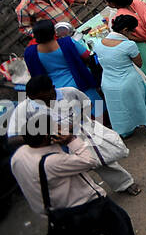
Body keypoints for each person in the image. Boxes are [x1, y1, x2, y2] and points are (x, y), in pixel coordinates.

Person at [10, 102, 146, 235]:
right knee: (118, 220)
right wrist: (71, 140)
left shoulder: (20, 155)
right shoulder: (51, 161)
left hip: (58, 210)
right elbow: (89, 161)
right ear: (46, 136)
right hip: (83, 205)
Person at [6, 75, 138, 195]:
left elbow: (88, 105)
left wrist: (75, 123)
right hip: (53, 147)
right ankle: (92, 197)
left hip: (79, 136)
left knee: (102, 163)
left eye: (44, 98)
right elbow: (12, 139)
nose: (41, 102)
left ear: (52, 88)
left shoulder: (69, 92)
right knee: (72, 176)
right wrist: (39, 133)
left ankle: (125, 184)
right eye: (36, 100)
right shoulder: (25, 107)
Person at [92, 14, 146, 137]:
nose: (134, 33)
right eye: (133, 30)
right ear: (125, 30)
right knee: (145, 104)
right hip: (129, 81)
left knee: (119, 109)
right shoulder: (128, 45)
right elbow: (139, 63)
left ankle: (125, 131)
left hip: (108, 83)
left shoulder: (98, 43)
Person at [24, 19, 104, 117]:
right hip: (82, 84)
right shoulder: (67, 42)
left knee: (75, 120)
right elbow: (87, 56)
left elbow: (33, 72)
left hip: (56, 93)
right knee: (99, 115)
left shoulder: (30, 53)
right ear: (54, 31)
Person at [16, 0, 82, 42]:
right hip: (59, 40)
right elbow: (24, 28)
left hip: (76, 27)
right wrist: (42, 35)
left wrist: (78, 0)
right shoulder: (23, 8)